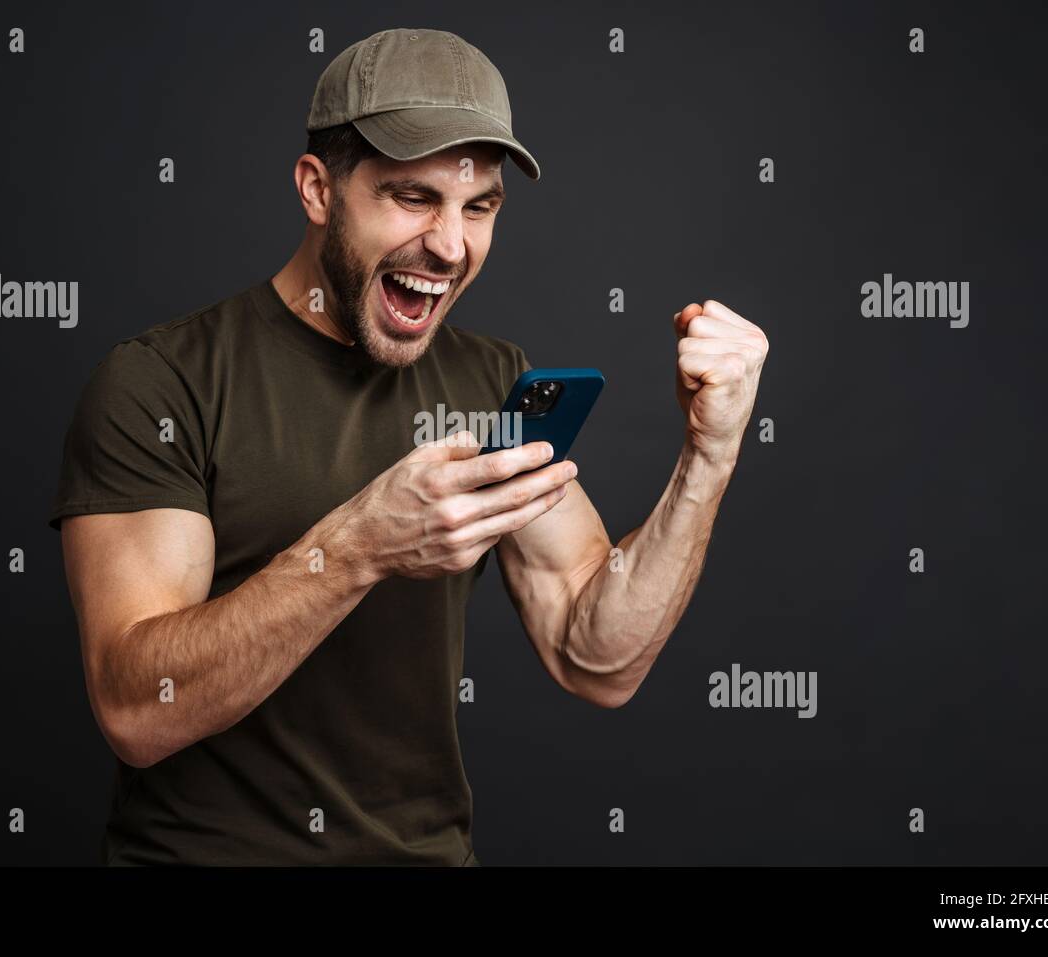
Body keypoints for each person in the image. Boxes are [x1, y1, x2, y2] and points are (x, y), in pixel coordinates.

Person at [49, 27, 769, 865]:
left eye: (480, 205)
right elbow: (139, 710)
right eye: (413, 197)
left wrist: (708, 457)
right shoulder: (161, 384)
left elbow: (596, 656)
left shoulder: (493, 380)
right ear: (318, 190)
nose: (451, 246)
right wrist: (359, 546)